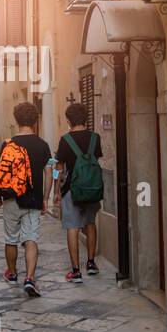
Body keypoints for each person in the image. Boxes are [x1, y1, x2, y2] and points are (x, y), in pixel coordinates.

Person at [0, 102, 52, 298]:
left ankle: (11, 274)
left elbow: (0, 171)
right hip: (33, 199)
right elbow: (49, 174)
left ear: (16, 120)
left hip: (11, 197)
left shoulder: (7, 144)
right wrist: (45, 198)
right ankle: (30, 278)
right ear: (35, 120)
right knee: (31, 238)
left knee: (10, 238)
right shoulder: (43, 145)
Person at [54, 103, 104, 281]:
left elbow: (58, 168)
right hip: (91, 188)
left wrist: (56, 189)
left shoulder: (65, 140)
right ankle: (91, 263)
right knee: (90, 223)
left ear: (68, 121)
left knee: (72, 227)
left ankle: (75, 271)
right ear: (85, 118)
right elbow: (95, 160)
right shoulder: (95, 138)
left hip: (71, 190)